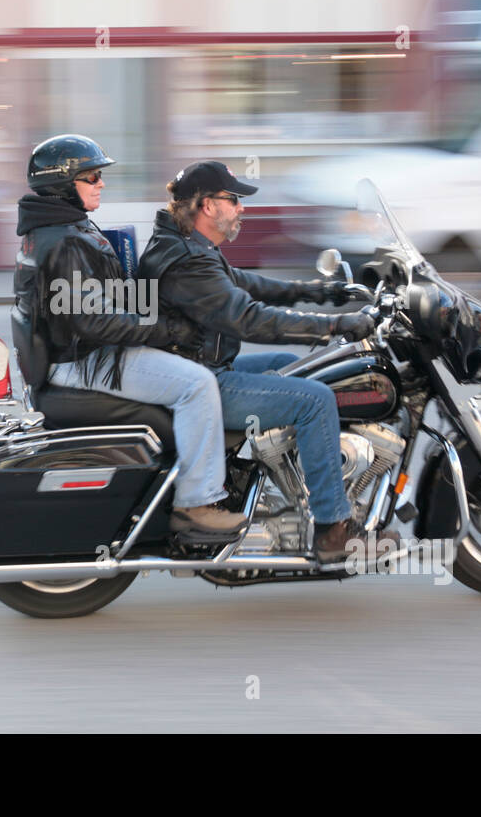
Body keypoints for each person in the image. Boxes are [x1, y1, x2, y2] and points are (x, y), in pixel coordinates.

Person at [137, 160, 395, 561]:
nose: (242, 208)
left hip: (206, 364)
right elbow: (248, 318)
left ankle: (285, 480)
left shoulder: (190, 247)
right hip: (202, 378)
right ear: (207, 206)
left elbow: (250, 285)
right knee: (314, 399)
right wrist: (335, 326)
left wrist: (324, 292)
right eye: (233, 200)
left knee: (291, 363)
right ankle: (333, 528)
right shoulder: (187, 260)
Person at [13, 136, 247, 540]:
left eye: (99, 175)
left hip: (79, 354)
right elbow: (94, 322)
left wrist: (165, 304)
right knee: (197, 384)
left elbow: (103, 299)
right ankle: (198, 504)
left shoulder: (62, 228)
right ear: (62, 183)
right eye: (91, 176)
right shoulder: (65, 240)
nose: (101, 183)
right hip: (84, 362)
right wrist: (170, 329)